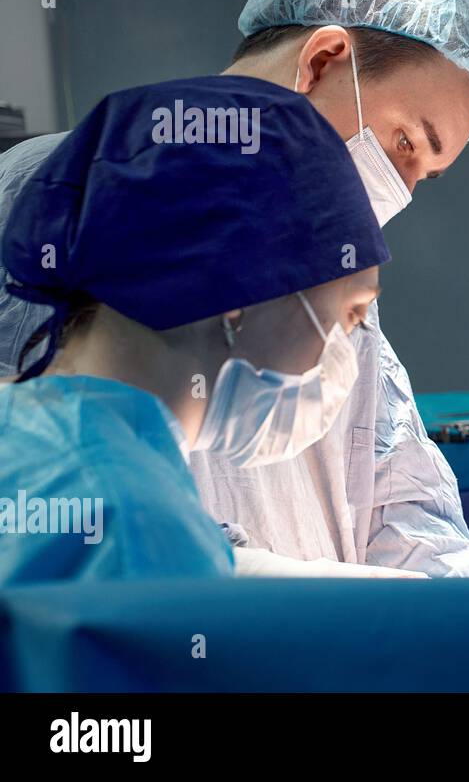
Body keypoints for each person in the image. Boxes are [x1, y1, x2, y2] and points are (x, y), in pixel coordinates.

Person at [0, 0, 469, 577]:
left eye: (425, 177)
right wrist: (247, 588)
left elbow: (402, 504)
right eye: (405, 142)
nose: (400, 191)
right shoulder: (83, 186)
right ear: (323, 61)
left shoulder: (323, 263)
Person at [0, 77, 415, 583]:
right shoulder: (134, 527)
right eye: (351, 314)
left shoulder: (30, 439)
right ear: (242, 290)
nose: (346, 355)